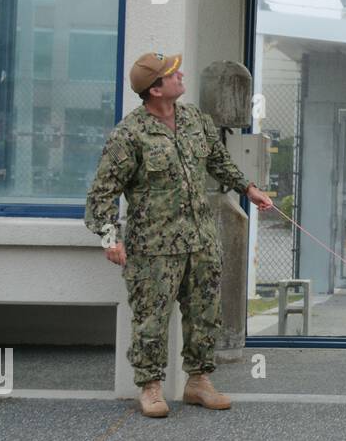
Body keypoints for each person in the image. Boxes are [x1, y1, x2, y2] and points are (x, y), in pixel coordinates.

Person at [85, 52, 274, 418]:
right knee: (151, 319)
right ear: (155, 89)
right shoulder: (130, 135)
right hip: (154, 248)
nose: (180, 74)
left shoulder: (194, 121)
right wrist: (110, 237)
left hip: (201, 240)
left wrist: (248, 189)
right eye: (172, 73)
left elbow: (218, 161)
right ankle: (151, 388)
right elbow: (101, 193)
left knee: (205, 314)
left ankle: (198, 382)